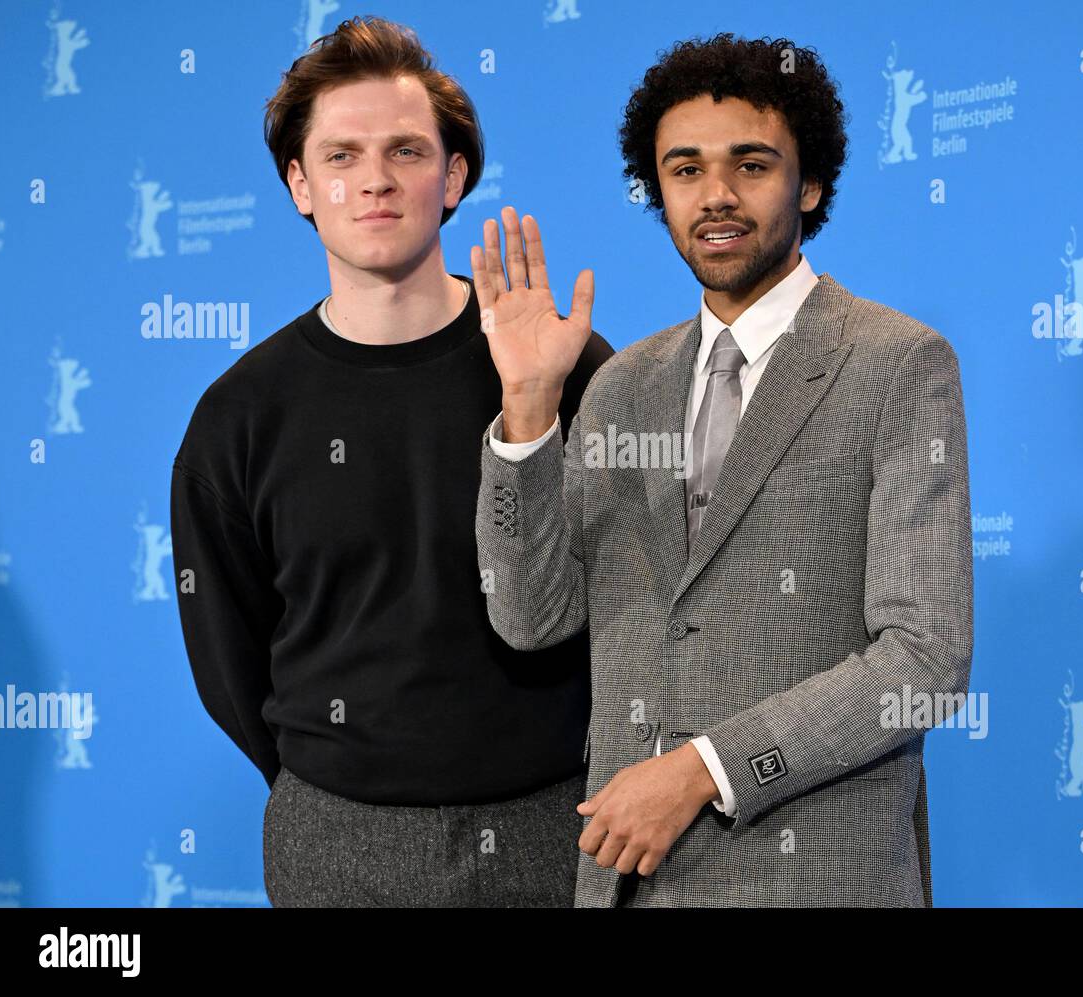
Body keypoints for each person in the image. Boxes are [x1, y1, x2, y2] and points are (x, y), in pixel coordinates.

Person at [473, 33, 972, 906]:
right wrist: (526, 409)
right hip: (631, 882)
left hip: (819, 878)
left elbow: (923, 661)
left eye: (751, 164)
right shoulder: (623, 384)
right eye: (686, 170)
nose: (717, 197)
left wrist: (706, 768)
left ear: (809, 184)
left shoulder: (897, 362)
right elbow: (530, 616)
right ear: (656, 190)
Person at [170, 16, 612, 907]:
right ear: (300, 184)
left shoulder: (570, 365)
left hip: (558, 825)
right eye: (340, 156)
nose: (374, 179)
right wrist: (335, 786)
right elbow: (229, 655)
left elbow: (632, 599)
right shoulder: (238, 416)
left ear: (453, 178)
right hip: (335, 839)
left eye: (407, 151)